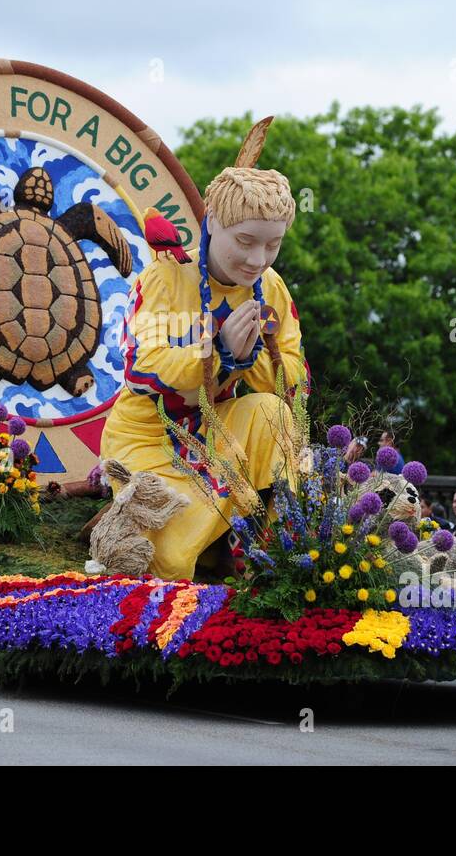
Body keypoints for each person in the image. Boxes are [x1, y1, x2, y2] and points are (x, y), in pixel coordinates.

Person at [99, 119, 307, 581]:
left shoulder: (270, 288)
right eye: (245, 242)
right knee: (170, 562)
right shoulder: (165, 276)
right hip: (148, 436)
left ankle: (280, 560)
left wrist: (250, 360)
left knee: (273, 412)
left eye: (272, 245)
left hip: (219, 433)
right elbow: (141, 367)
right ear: (212, 222)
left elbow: (298, 380)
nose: (257, 260)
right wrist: (217, 350)